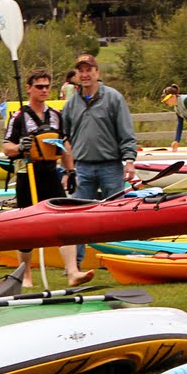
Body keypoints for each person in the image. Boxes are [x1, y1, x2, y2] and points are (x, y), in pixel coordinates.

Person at [2, 70, 88, 287]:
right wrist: (19, 147)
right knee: (26, 227)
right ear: (29, 88)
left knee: (63, 222)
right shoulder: (19, 118)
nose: (43, 90)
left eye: (47, 86)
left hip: (50, 173)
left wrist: (70, 171)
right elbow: (6, 148)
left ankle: (72, 272)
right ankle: (26, 275)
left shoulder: (55, 116)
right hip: (27, 173)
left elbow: (64, 145)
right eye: (39, 86)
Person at [59, 53, 138, 286]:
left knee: (116, 215)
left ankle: (122, 260)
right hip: (82, 167)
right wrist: (67, 170)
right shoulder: (71, 104)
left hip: (110, 165)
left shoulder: (113, 98)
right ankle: (76, 264)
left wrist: (129, 160)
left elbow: (126, 131)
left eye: (89, 70)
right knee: (77, 217)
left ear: (97, 73)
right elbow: (65, 138)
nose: (84, 74)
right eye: (80, 70)